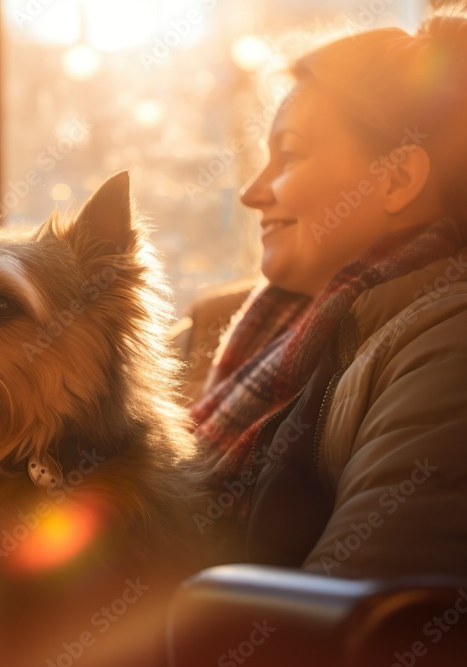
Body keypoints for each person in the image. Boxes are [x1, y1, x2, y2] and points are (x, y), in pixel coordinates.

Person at [179, 7, 467, 578]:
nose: (253, 192)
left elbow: (352, 630)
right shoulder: (226, 325)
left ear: (396, 179)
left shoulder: (445, 350)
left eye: (290, 155)